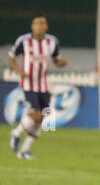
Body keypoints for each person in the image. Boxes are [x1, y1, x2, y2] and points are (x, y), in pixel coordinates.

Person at [7, 15, 68, 161]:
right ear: (32, 26)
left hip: (43, 85)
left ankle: (24, 151)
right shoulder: (23, 41)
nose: (39, 26)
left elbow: (56, 60)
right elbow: (10, 57)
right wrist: (18, 70)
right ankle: (16, 133)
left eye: (42, 23)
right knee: (34, 115)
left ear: (46, 26)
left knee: (42, 118)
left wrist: (61, 63)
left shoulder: (52, 42)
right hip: (29, 85)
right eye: (37, 23)